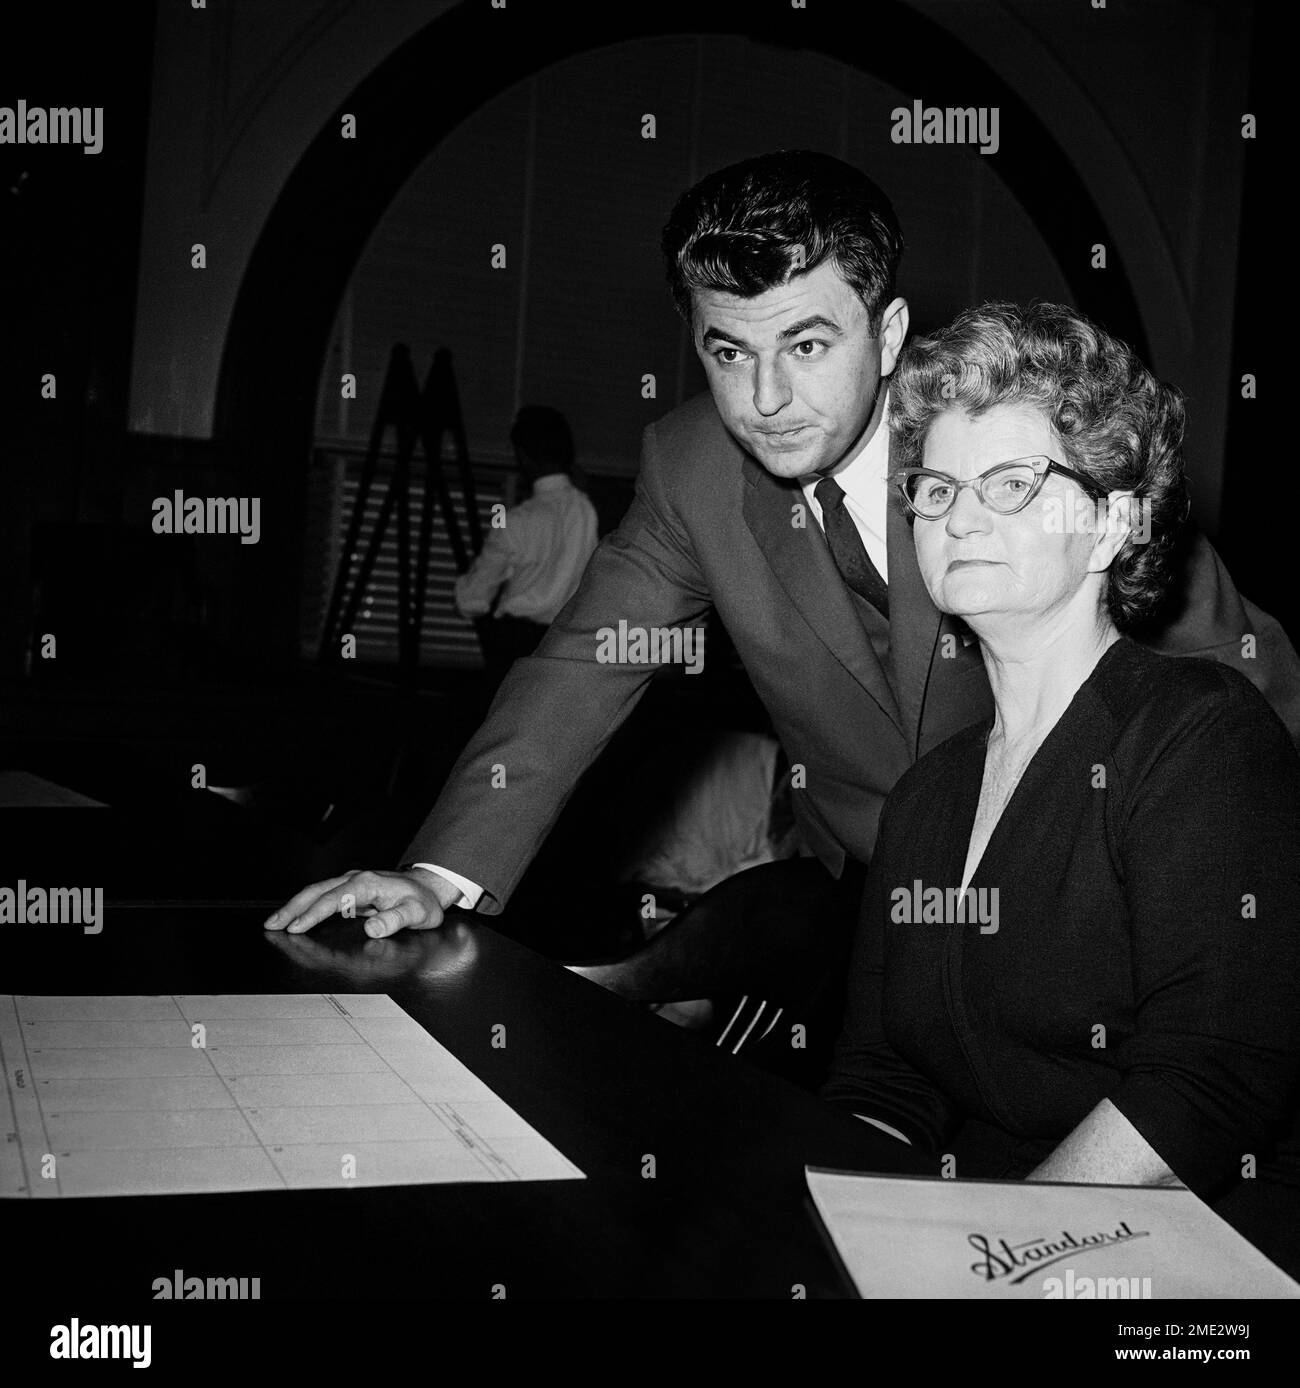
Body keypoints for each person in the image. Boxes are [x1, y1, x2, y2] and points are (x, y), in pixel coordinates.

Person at [265, 151, 1300, 1007]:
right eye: (728, 351)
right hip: (864, 897)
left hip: (1089, 885)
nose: (765, 397)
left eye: (807, 343)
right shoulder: (690, 466)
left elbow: (1225, 664)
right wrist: (434, 874)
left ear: (888, 334)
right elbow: (576, 666)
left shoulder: (1022, 430)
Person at [821, 302, 1300, 1273]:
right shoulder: (924, 795)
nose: (958, 515)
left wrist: (981, 1255)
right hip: (989, 1218)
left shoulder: (1199, 733)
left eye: (1011, 483)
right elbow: (885, 1075)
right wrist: (833, 1218)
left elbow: (1204, 1083)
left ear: (1111, 524)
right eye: (938, 486)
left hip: (1209, 1238)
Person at [453, 405, 597, 672]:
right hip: (571, 646)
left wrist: (464, 592)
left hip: (518, 645)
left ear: (523, 456)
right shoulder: (589, 510)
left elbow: (473, 600)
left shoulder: (515, 521)